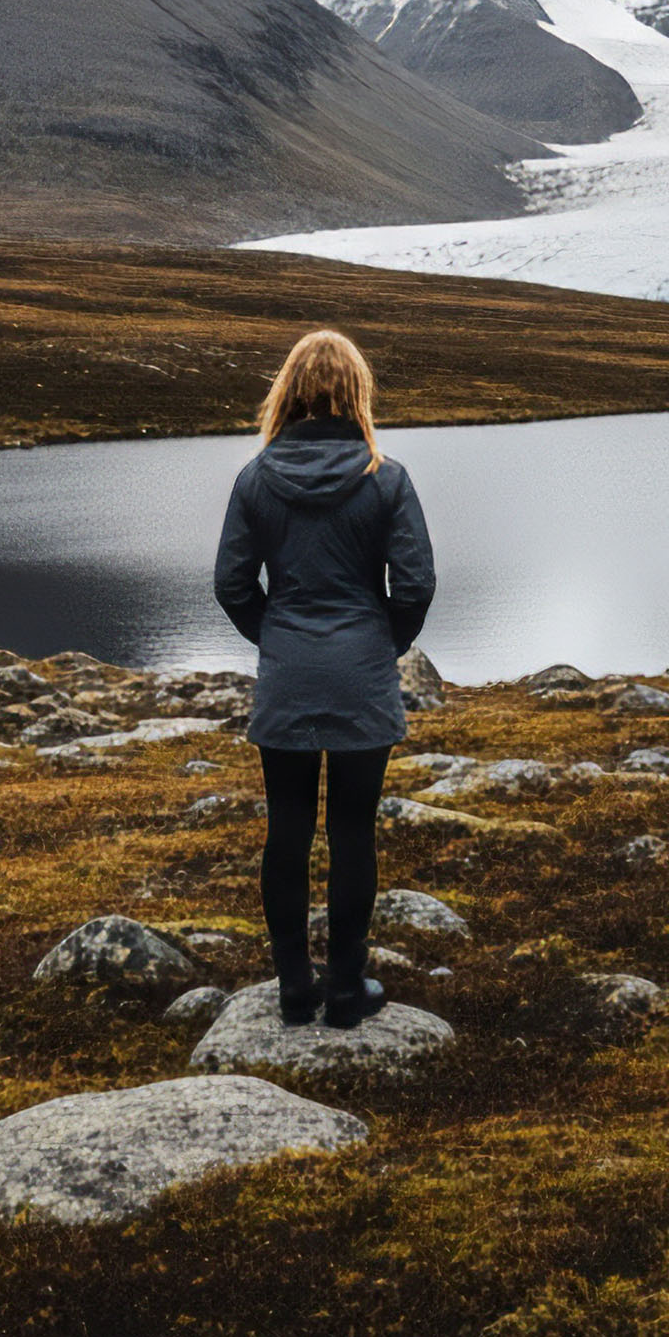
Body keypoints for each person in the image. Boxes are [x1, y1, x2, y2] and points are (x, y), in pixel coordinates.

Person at [213, 327, 435, 1028]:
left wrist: (275, 638)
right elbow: (417, 584)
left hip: (289, 675)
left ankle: (293, 988)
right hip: (362, 675)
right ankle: (346, 988)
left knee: (286, 830)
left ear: (289, 390)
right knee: (352, 832)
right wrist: (379, 644)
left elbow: (232, 584)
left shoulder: (255, 477)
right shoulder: (386, 475)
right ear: (356, 391)